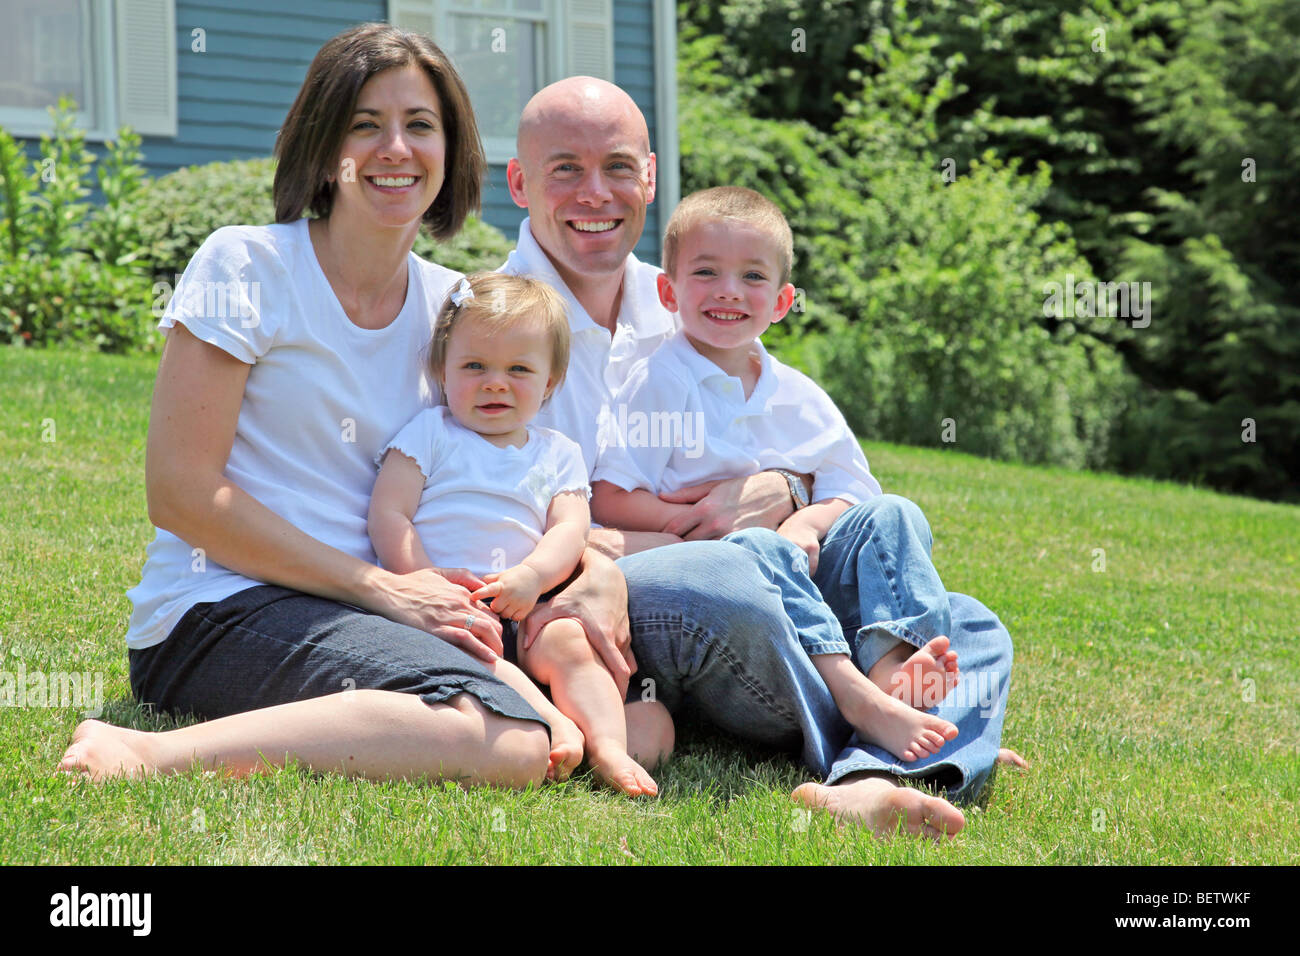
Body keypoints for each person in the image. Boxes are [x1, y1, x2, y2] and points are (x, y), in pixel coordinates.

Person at [503, 76, 1025, 839]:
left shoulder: (683, 287)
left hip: (771, 563)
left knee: (970, 626)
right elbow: (494, 510)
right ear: (518, 182)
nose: (595, 192)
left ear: (649, 175)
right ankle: (914, 721)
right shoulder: (496, 323)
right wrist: (659, 542)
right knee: (730, 577)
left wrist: (783, 489)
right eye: (564, 169)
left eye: (617, 166)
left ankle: (881, 769)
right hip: (615, 582)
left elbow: (816, 463)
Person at [56, 24, 576, 786]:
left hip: (374, 615)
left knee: (523, 735)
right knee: (507, 735)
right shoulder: (248, 264)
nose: (395, 148)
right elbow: (180, 494)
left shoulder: (453, 310)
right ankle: (147, 752)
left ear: (451, 150)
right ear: (324, 146)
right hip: (218, 607)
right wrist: (382, 589)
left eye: (420, 126)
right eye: (365, 124)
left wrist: (577, 565)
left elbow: (522, 464)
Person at [590, 186, 962, 764]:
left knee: (896, 513)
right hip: (726, 571)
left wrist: (809, 522)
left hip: (798, 562)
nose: (729, 291)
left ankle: (894, 669)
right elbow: (609, 497)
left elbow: (854, 489)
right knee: (760, 544)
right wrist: (682, 520)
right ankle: (856, 696)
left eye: (753, 277)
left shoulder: (795, 393)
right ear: (668, 291)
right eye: (706, 272)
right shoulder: (659, 382)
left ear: (784, 300)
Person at [367, 271, 665, 795]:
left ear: (550, 382)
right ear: (442, 368)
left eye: (519, 369)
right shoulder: (430, 433)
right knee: (475, 655)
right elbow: (390, 514)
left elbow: (571, 531)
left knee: (572, 643)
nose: (495, 382)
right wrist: (422, 580)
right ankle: (556, 723)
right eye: (474, 366)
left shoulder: (556, 452)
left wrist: (531, 577)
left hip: (531, 607)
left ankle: (610, 746)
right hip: (450, 606)